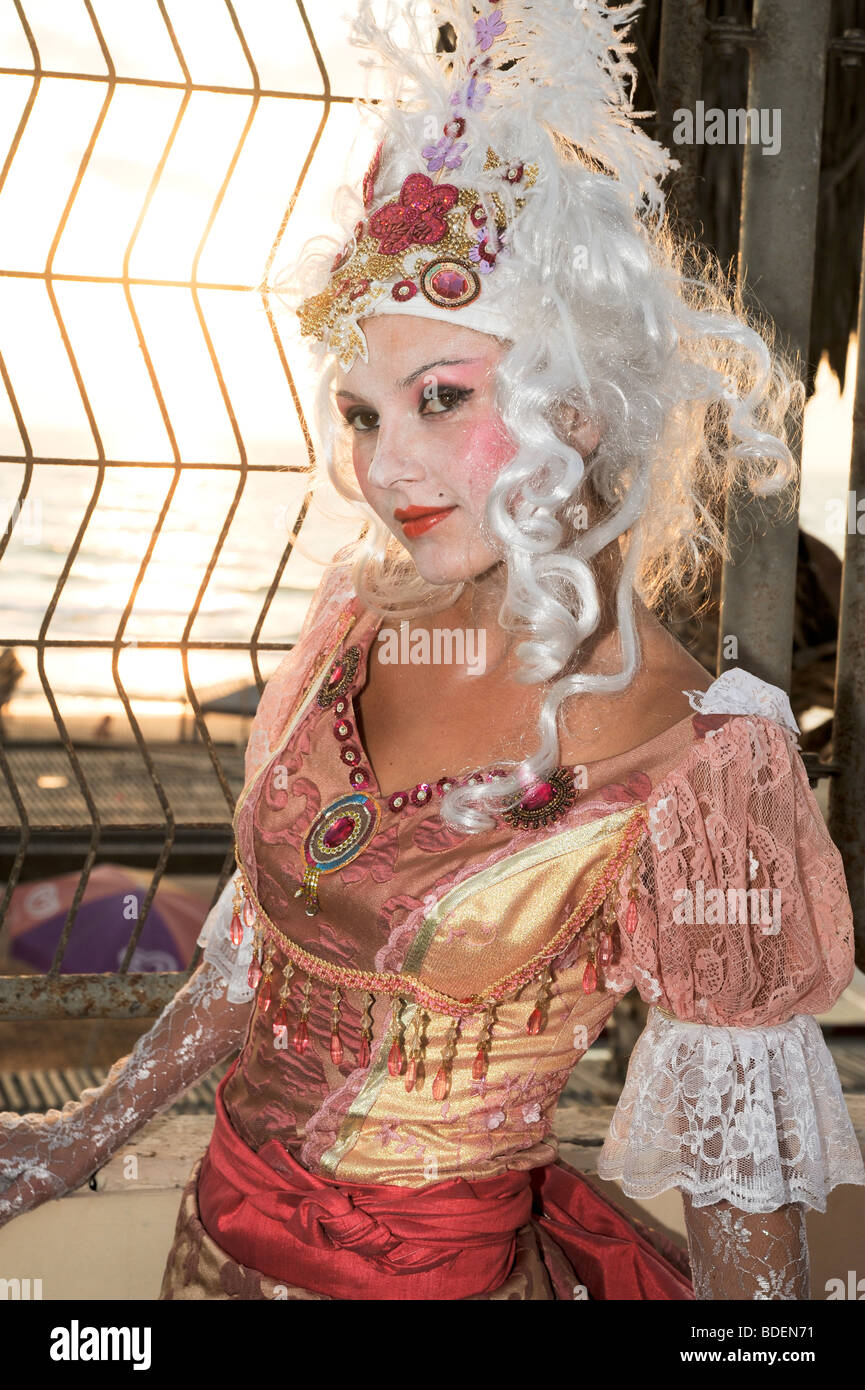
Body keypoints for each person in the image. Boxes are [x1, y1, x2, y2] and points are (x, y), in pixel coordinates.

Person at [1, 0, 863, 1301]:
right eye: (359, 411)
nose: (380, 466)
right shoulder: (358, 617)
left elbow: (751, 1228)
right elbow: (256, 940)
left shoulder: (699, 762)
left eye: (439, 397)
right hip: (214, 1248)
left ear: (574, 402)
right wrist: (74, 1134)